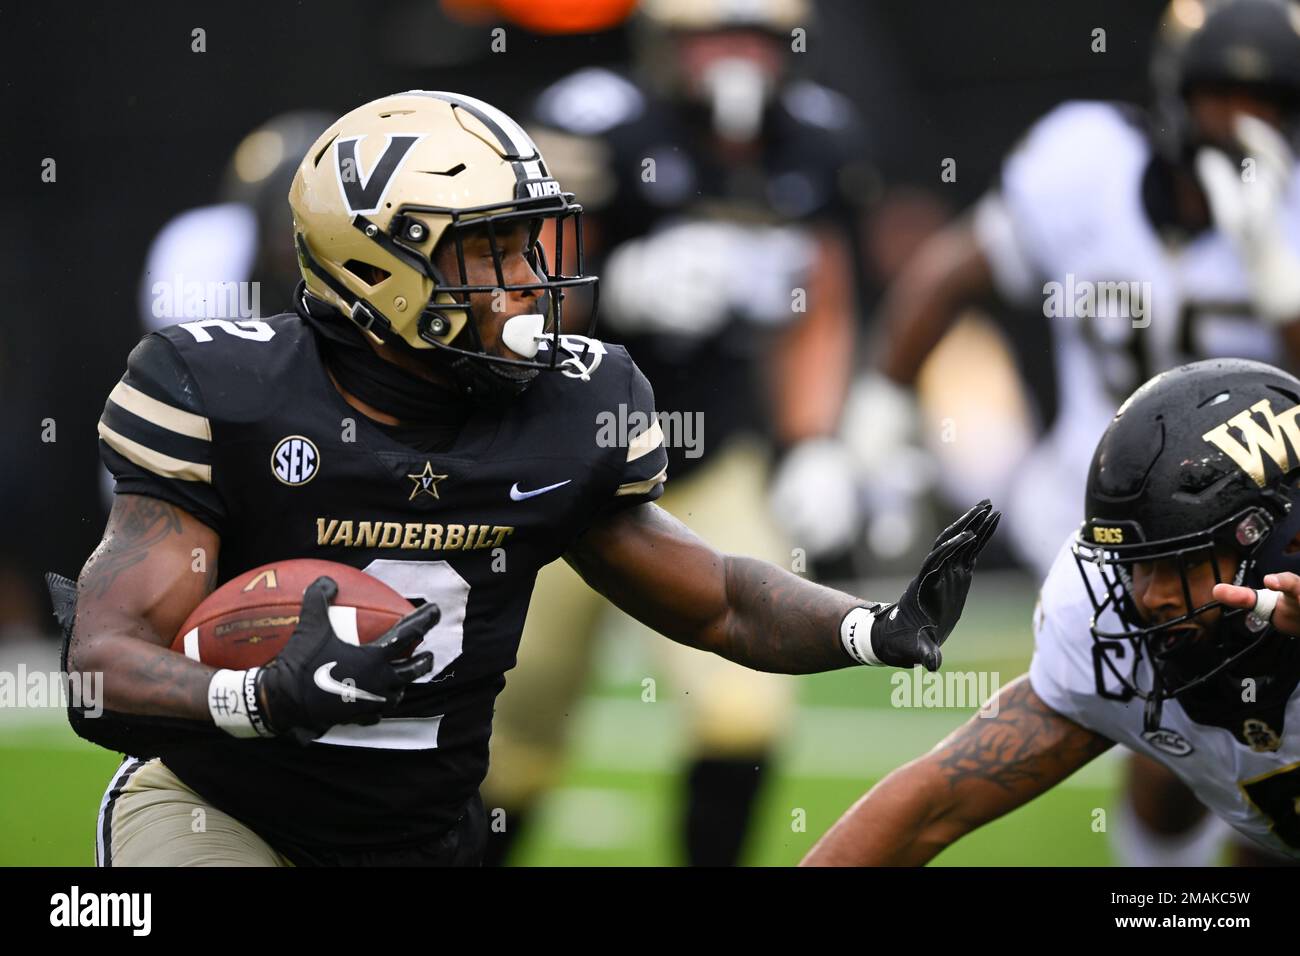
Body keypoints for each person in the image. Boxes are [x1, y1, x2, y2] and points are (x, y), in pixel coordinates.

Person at [48, 90, 998, 867]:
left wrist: (869, 628)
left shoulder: (566, 408)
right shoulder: (223, 392)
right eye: (487, 252)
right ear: (378, 268)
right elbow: (99, 667)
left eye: (527, 245)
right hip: (225, 814)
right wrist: (258, 699)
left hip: (423, 836)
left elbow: (718, 603)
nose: (524, 283)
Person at [867, 0, 1300, 865]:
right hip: (1101, 514)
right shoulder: (1085, 160)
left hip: (1261, 529)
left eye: (1268, 102)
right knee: (1174, 746)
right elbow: (954, 271)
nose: (1240, 124)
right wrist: (872, 416)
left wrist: (1277, 281)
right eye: (1220, 95)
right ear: (1177, 91)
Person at [480, 0, 881, 866]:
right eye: (714, 35)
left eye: (755, 38)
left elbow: (823, 298)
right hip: (562, 468)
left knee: (747, 707)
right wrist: (612, 286)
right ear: (665, 41)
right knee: (516, 738)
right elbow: (517, 296)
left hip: (703, 466)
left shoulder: (815, 139)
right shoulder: (594, 123)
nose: (735, 60)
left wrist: (815, 438)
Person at [804, 357, 1300, 866]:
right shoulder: (1112, 623)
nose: (1150, 598)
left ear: (1280, 543)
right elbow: (931, 806)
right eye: (1136, 565)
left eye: (1181, 564)